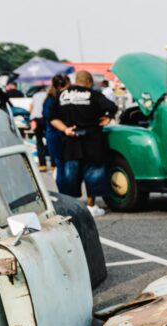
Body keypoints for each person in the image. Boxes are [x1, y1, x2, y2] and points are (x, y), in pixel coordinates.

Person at [50, 70, 118, 217]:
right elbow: (112, 107)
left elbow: (53, 118)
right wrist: (107, 118)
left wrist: (66, 129)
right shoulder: (93, 95)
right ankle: (91, 205)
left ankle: (71, 207)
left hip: (71, 141)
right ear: (89, 81)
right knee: (93, 173)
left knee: (70, 176)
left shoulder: (62, 95)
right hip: (92, 140)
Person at [43, 73, 69, 184]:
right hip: (59, 136)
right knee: (62, 167)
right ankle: (65, 195)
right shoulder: (57, 100)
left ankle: (64, 194)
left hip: (53, 136)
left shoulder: (49, 99)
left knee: (60, 166)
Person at [29, 87, 49, 171]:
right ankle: (53, 164)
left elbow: (31, 107)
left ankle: (42, 165)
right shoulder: (48, 95)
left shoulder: (35, 95)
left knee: (39, 141)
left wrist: (31, 119)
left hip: (36, 119)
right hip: (46, 119)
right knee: (50, 140)